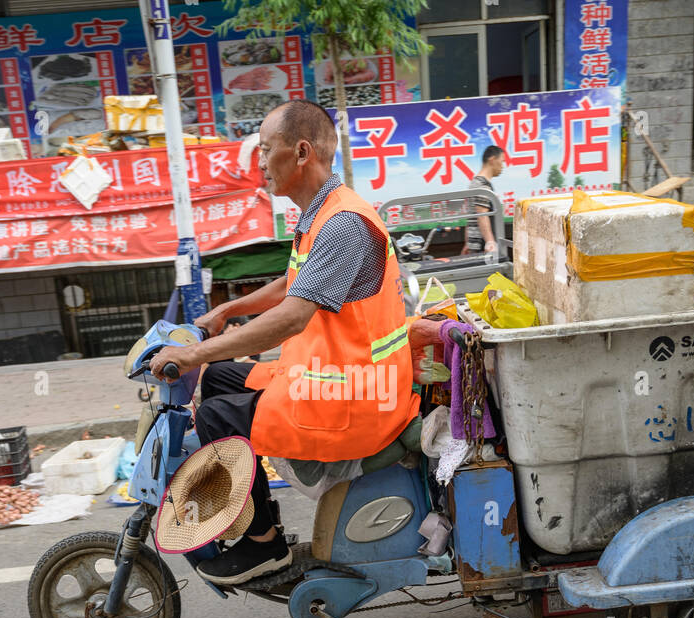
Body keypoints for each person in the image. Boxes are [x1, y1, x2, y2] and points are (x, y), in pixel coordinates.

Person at [150, 99, 420, 585]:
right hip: (332, 375)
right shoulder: (321, 213)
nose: (258, 163)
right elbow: (294, 283)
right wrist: (226, 312)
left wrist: (190, 352)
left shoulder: (343, 224)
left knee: (216, 416)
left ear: (300, 152)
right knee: (217, 378)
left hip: (356, 396)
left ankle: (264, 547)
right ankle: (259, 512)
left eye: (266, 150)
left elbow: (292, 316)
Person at [463, 145, 505, 255]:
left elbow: (471, 217)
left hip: (475, 244)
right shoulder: (482, 186)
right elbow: (482, 215)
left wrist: (467, 242)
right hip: (482, 247)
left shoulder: (475, 183)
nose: (503, 166)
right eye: (502, 161)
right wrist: (490, 242)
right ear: (492, 160)